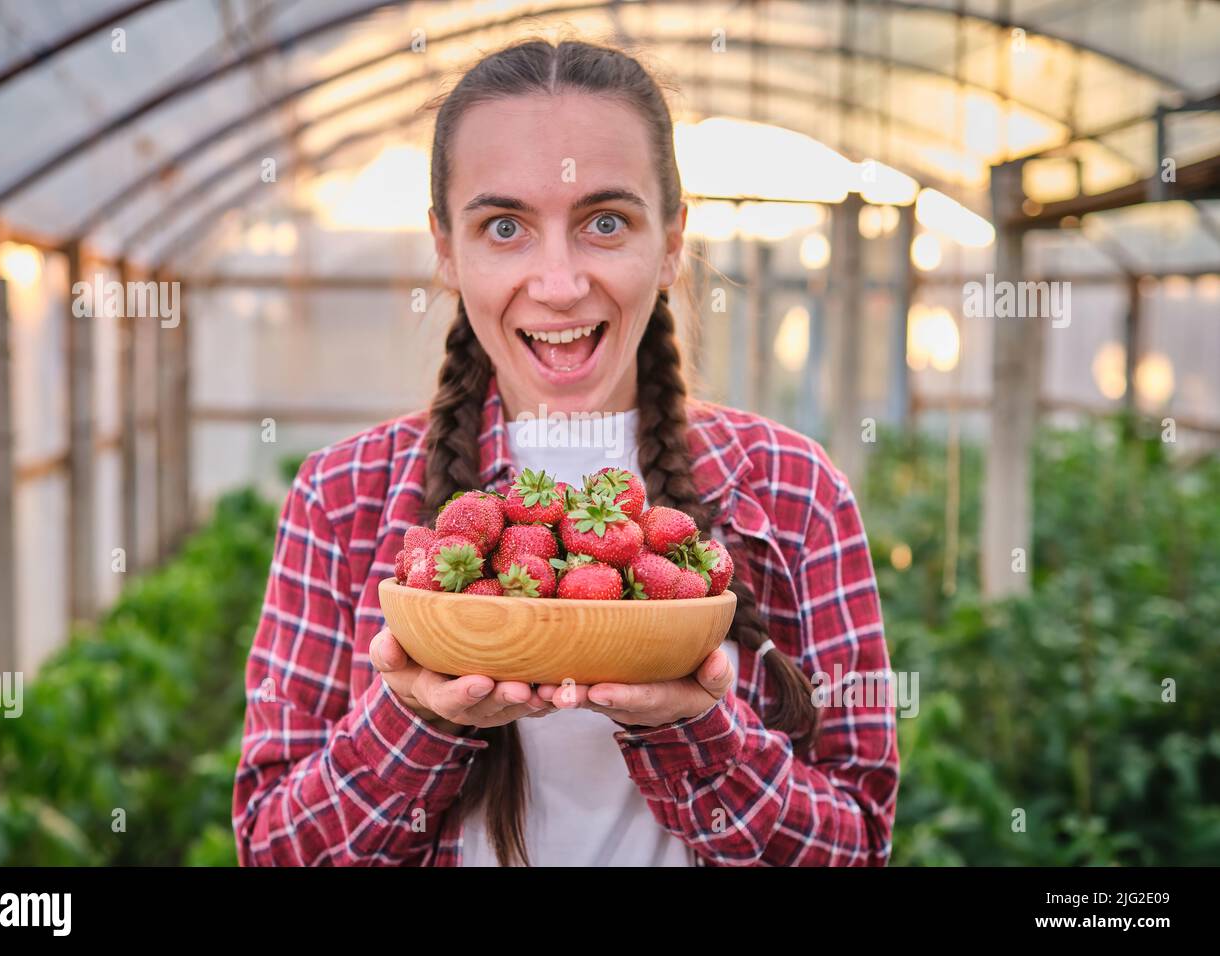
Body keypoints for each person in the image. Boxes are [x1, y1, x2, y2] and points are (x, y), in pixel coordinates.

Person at [231, 37, 898, 867]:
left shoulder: (794, 489)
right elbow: (272, 848)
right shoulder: (344, 494)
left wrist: (694, 727)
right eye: (504, 226)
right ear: (445, 248)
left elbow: (857, 845)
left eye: (605, 223)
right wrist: (419, 717)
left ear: (671, 241)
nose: (558, 283)